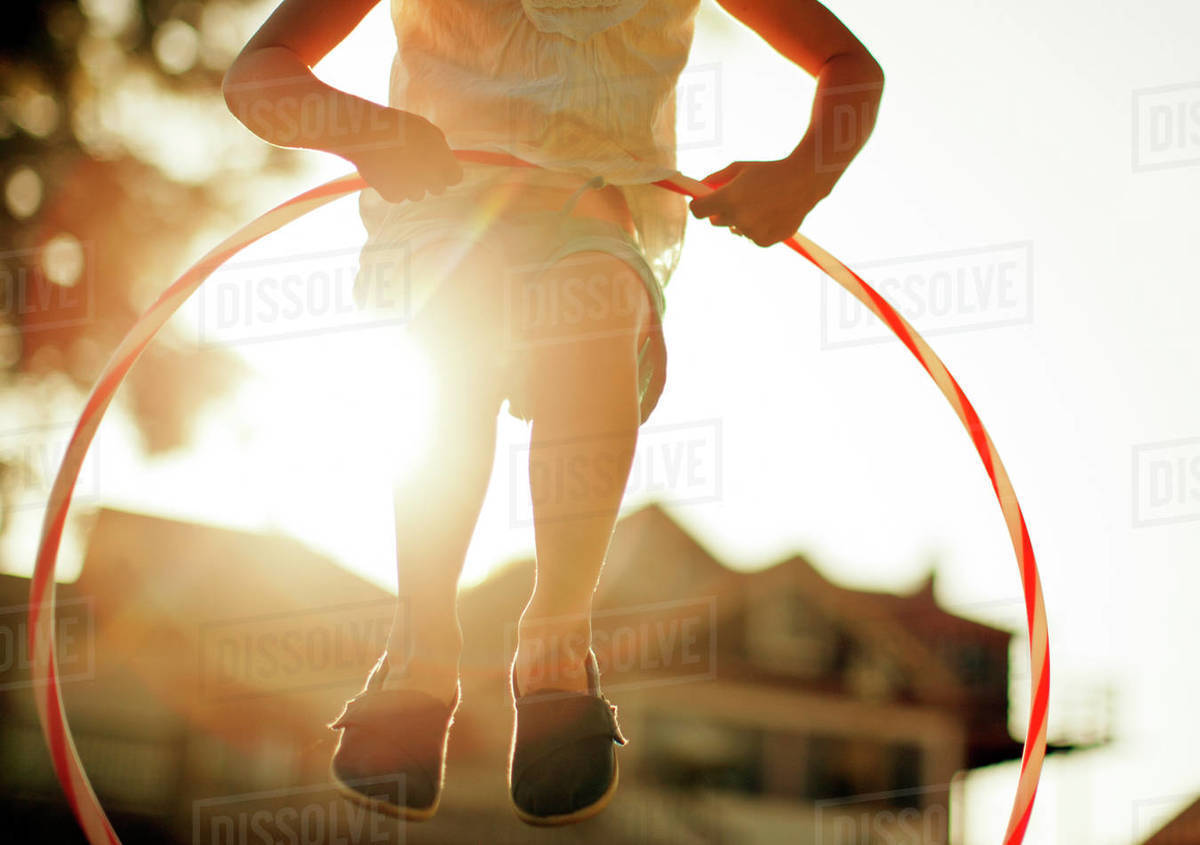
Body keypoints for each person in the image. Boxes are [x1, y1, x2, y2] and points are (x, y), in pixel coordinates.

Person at [223, 0, 883, 825]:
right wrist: (362, 128)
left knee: (593, 304)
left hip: (592, 220)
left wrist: (807, 172)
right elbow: (259, 73)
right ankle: (422, 641)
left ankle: (558, 641)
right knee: (456, 318)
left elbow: (851, 70)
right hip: (444, 215)